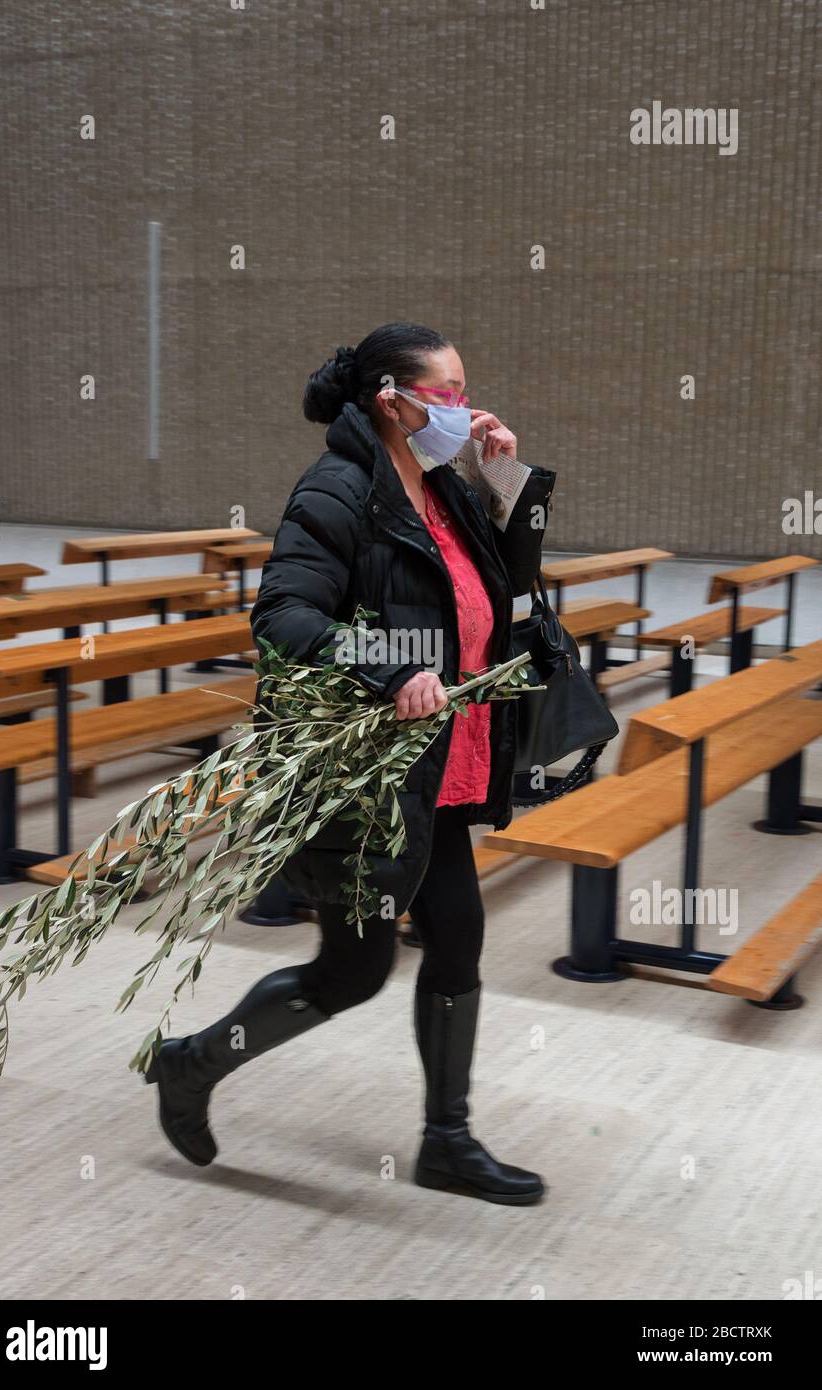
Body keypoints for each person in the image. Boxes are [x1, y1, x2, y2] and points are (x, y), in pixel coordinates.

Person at [147, 322, 556, 1205]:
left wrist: (506, 485)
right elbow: (284, 617)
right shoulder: (338, 490)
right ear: (391, 402)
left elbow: (516, 593)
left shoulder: (445, 486)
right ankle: (193, 1062)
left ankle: (447, 1141)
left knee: (457, 942)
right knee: (355, 971)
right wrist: (387, 665)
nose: (464, 409)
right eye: (446, 395)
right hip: (370, 775)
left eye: (462, 391)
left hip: (437, 763)